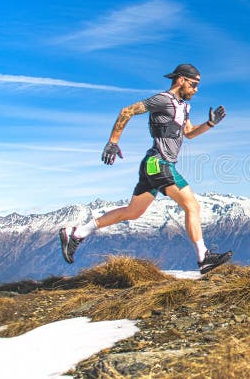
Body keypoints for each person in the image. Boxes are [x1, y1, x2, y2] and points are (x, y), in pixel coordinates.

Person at [59, 63, 232, 274]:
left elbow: (189, 133)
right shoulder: (163, 100)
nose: (196, 90)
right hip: (159, 163)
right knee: (192, 206)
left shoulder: (184, 107)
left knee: (132, 212)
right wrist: (113, 142)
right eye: (194, 85)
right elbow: (127, 111)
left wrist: (210, 124)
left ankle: (76, 233)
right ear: (181, 80)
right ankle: (203, 258)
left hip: (153, 164)